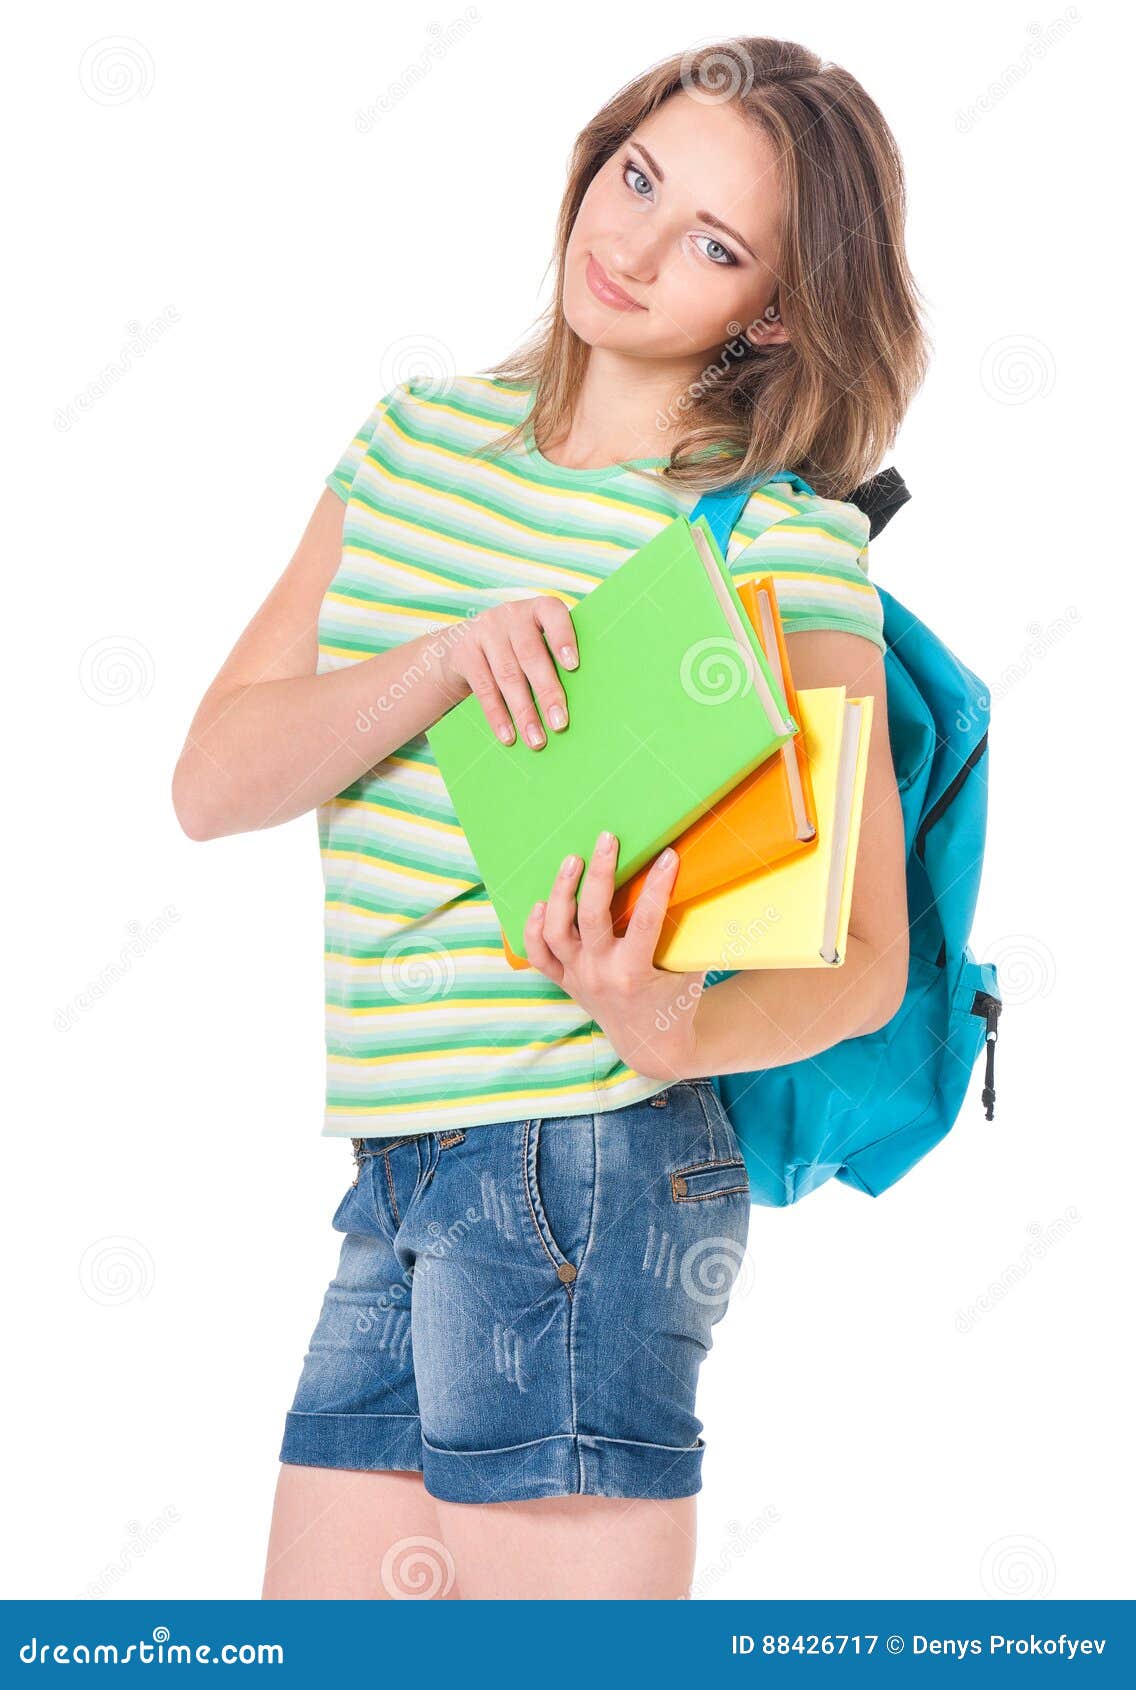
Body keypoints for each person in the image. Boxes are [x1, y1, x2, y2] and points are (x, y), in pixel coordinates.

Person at [172, 35, 917, 1600]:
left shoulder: (775, 540)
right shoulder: (413, 440)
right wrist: (441, 662)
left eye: (713, 242)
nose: (633, 245)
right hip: (398, 1160)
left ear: (769, 310)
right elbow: (212, 779)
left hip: (590, 1162)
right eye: (638, 176)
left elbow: (863, 957)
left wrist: (671, 1032)